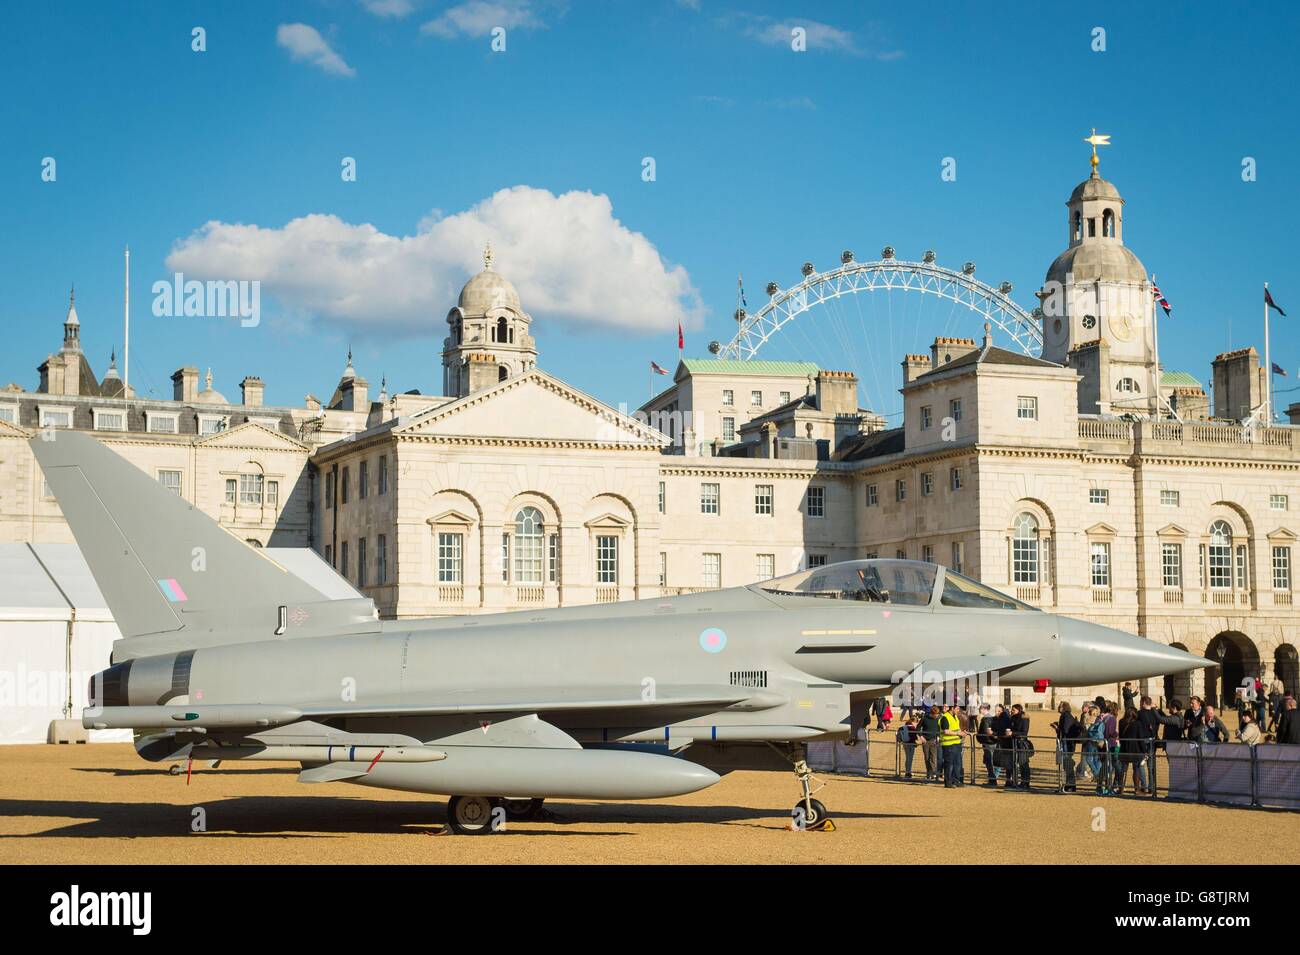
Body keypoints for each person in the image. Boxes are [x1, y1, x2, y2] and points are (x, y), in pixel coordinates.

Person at [1051, 701, 1079, 792]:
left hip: (1066, 744)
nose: (1058, 707)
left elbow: (1066, 731)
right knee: (1066, 765)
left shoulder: (1066, 716)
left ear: (1064, 708)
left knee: (1067, 765)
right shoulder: (1066, 716)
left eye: (1060, 706)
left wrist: (1057, 728)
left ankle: (1071, 785)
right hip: (1066, 743)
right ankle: (1068, 784)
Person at [938, 703, 966, 788]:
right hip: (948, 744)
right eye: (957, 708)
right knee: (949, 764)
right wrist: (958, 733)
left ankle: (956, 780)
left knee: (957, 763)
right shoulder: (945, 717)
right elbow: (945, 731)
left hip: (956, 743)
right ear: (952, 708)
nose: (958, 710)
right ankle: (948, 782)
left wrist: (962, 732)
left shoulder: (955, 717)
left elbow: (956, 728)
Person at [1008, 703, 1032, 788]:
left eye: (1013, 710)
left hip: (1021, 743)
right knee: (1014, 763)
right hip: (1014, 743)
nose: (1011, 711)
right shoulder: (1013, 718)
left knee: (1023, 763)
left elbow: (1024, 732)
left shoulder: (1024, 718)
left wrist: (1012, 733)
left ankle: (1025, 782)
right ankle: (1015, 781)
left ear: (1019, 710)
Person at [918, 705, 942, 780]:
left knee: (933, 758)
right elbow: (918, 728)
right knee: (927, 758)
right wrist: (921, 736)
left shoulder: (939, 719)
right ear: (932, 713)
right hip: (925, 741)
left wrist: (938, 736)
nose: (937, 716)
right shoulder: (924, 718)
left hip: (934, 740)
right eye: (936, 714)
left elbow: (940, 729)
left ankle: (933, 773)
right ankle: (928, 774)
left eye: (937, 714)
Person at [992, 703, 1014, 786]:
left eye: (998, 711)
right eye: (996, 711)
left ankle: (1009, 780)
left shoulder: (1004, 719)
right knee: (1000, 762)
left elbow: (1002, 731)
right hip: (1002, 743)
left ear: (1002, 711)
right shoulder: (997, 719)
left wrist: (995, 733)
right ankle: (999, 779)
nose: (997, 713)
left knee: (1007, 763)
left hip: (1006, 744)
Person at [976, 704, 998, 786]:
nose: (979, 710)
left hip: (987, 742)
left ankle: (992, 779)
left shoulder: (985, 719)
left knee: (989, 762)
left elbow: (985, 732)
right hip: (993, 742)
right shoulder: (992, 718)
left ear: (984, 709)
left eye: (980, 708)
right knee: (991, 761)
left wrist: (980, 739)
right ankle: (993, 778)